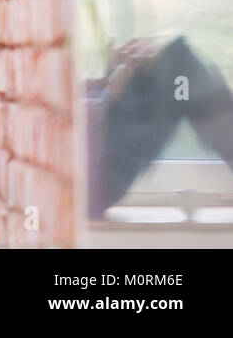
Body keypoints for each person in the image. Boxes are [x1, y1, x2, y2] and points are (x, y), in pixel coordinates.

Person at [85, 32, 233, 219]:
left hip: (92, 166)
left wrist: (106, 82)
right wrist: (110, 94)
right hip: (88, 182)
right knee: (181, 66)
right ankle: (188, 100)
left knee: (171, 68)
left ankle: (185, 98)